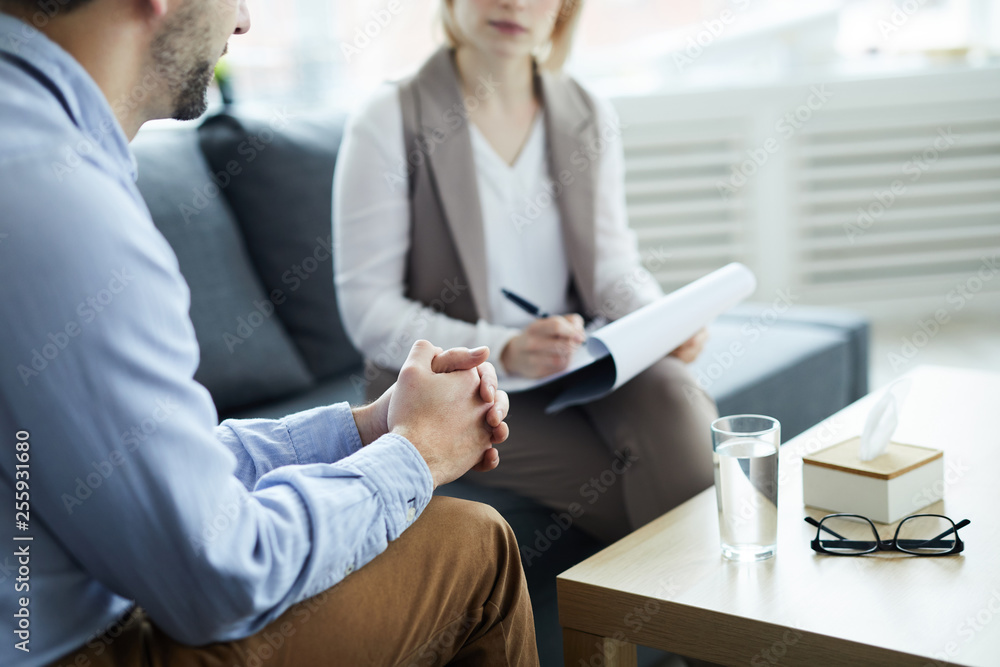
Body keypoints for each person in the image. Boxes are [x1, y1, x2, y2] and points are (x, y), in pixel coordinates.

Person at [0, 0, 539, 664]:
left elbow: (155, 470)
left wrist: (367, 430)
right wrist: (418, 454)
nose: (246, 20)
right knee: (474, 546)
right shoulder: (60, 203)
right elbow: (220, 574)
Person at [334, 0, 717, 546]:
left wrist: (660, 319)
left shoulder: (587, 111)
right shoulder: (389, 117)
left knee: (674, 395)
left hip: (576, 361)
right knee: (657, 503)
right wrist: (506, 348)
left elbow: (612, 267)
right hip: (456, 386)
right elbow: (369, 310)